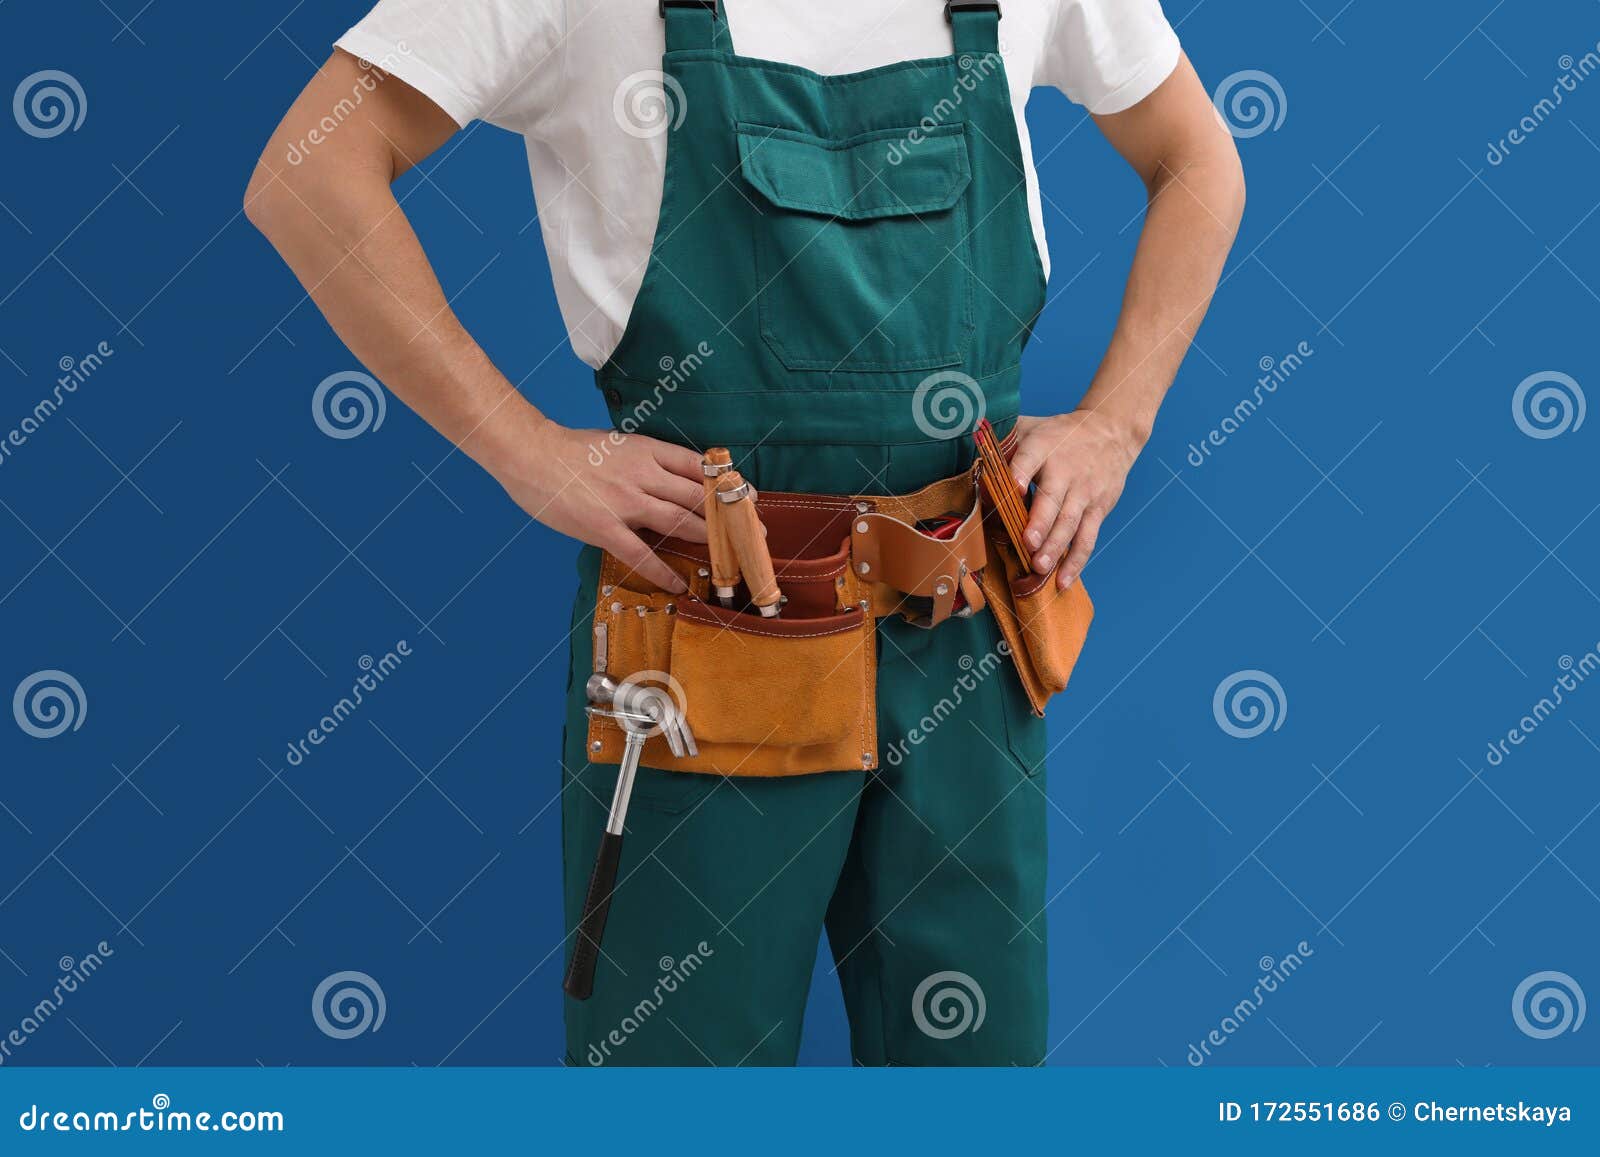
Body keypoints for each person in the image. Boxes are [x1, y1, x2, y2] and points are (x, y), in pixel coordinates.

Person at [246, 0, 1243, 1066]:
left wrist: (1117, 422)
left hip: (963, 636)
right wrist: (522, 448)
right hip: (709, 647)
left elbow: (1197, 160)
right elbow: (308, 173)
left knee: (977, 1086)